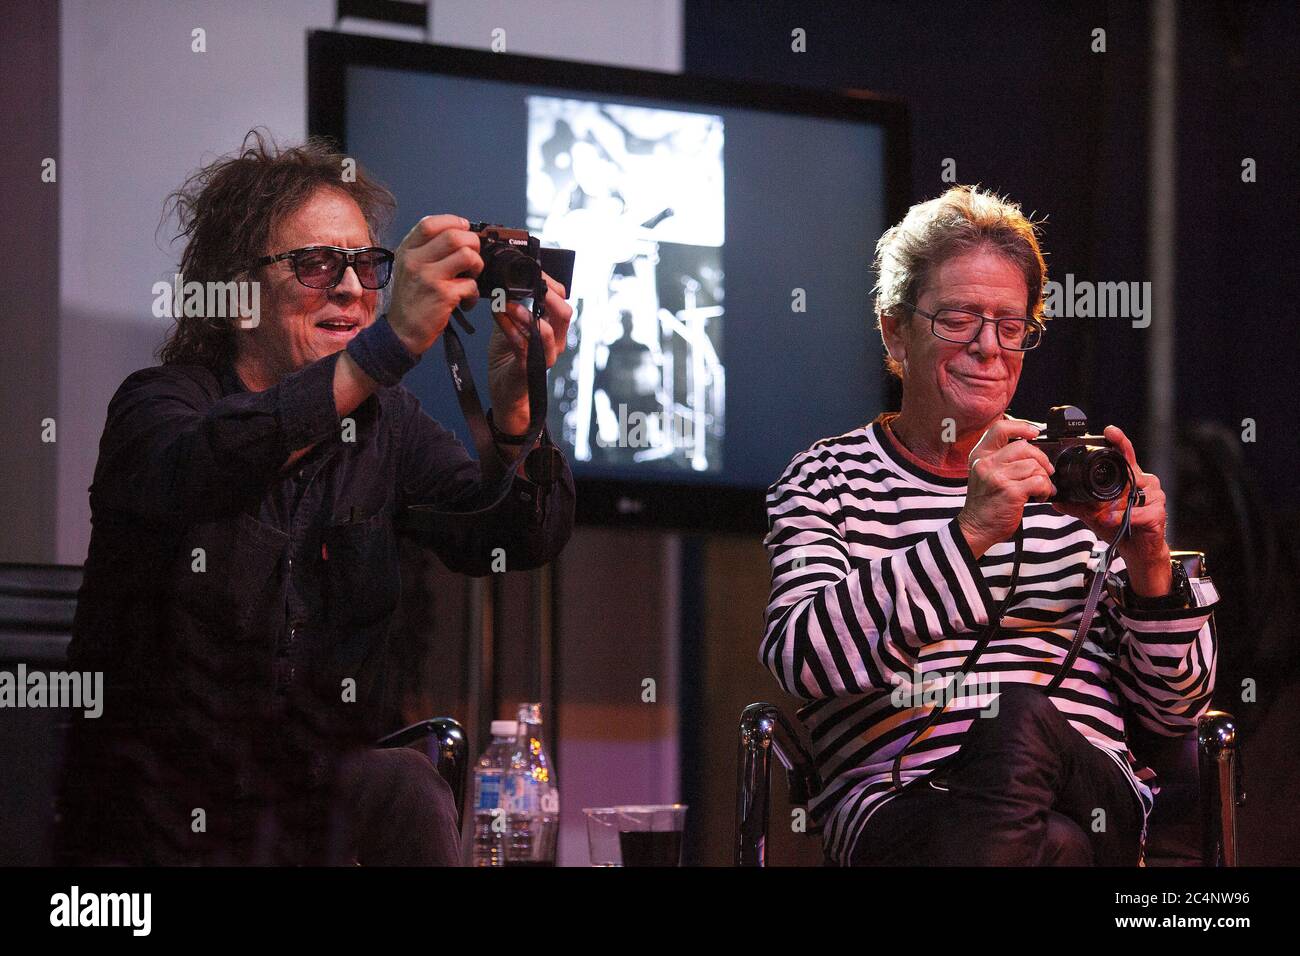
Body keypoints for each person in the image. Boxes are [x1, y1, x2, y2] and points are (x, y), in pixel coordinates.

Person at [56, 129, 575, 866]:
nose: (353, 289)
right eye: (315, 265)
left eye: (366, 265)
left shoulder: (386, 425)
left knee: (404, 786)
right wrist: (389, 347)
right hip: (157, 824)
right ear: (238, 293)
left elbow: (510, 538)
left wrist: (518, 406)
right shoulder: (157, 408)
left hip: (307, 811)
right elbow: (217, 459)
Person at [760, 185, 1219, 866]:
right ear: (894, 330)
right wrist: (968, 534)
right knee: (1050, 845)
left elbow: (1172, 712)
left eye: (1011, 324)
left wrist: (1151, 566)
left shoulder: (1073, 472)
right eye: (958, 319)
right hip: (904, 805)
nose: (989, 348)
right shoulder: (827, 477)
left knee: (1020, 719)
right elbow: (802, 657)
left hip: (1086, 792)